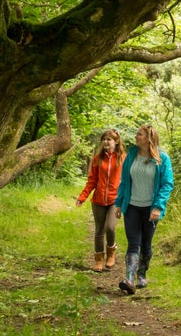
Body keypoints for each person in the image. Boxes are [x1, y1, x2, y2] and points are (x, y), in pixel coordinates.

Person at [113, 125, 175, 295]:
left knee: (146, 243)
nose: (136, 137)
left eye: (139, 134)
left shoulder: (162, 159)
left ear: (149, 138)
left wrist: (158, 207)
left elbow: (167, 185)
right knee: (133, 243)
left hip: (150, 209)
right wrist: (119, 203)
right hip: (131, 206)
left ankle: (142, 274)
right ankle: (130, 279)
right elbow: (124, 181)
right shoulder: (131, 155)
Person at [75, 129, 125, 272]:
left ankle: (111, 251)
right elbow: (92, 180)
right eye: (104, 139)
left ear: (116, 142)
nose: (105, 142)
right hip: (98, 200)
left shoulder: (123, 158)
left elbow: (128, 181)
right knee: (99, 230)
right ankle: (99, 259)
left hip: (115, 200)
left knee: (110, 227)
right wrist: (82, 197)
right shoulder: (98, 158)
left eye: (109, 139)